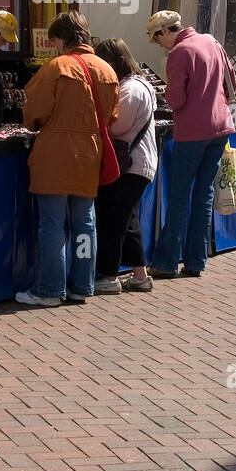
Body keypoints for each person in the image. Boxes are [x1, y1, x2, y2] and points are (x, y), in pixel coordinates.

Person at [17, 10, 118, 307]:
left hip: (55, 155)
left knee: (52, 224)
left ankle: (49, 289)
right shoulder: (107, 70)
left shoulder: (56, 67)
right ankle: (82, 285)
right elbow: (112, 116)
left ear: (61, 38)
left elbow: (33, 113)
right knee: (85, 223)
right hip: (89, 154)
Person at [146, 9, 236, 279]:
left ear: (165, 32)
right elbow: (230, 81)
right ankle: (196, 260)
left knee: (179, 196)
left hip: (193, 131)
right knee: (203, 193)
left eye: (156, 38)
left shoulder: (178, 53)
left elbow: (175, 101)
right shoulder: (212, 42)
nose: (158, 44)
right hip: (220, 127)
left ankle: (167, 261)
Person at [92, 38, 156, 294]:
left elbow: (117, 127)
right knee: (128, 220)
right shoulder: (138, 85)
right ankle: (140, 276)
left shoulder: (131, 89)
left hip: (131, 164)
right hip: (138, 163)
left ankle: (109, 277)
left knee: (113, 219)